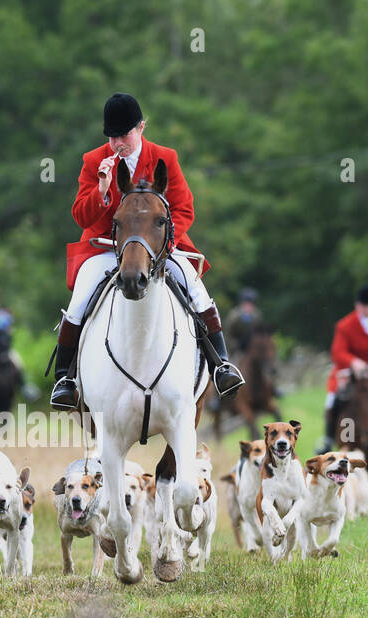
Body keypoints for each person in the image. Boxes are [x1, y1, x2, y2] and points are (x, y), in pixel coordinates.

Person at [49, 92, 243, 409]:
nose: (117, 144)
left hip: (158, 247)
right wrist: (101, 189)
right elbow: (81, 217)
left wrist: (159, 243)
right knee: (80, 300)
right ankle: (65, 379)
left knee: (196, 288)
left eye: (123, 135)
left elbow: (184, 210)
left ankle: (221, 365)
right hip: (106, 246)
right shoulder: (93, 161)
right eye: (112, 137)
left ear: (141, 127)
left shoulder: (165, 157)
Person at [316, 283, 368, 453]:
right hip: (351, 374)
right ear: (357, 306)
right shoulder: (345, 325)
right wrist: (353, 362)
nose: (367, 309)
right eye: (364, 306)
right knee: (332, 402)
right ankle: (328, 440)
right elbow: (337, 352)